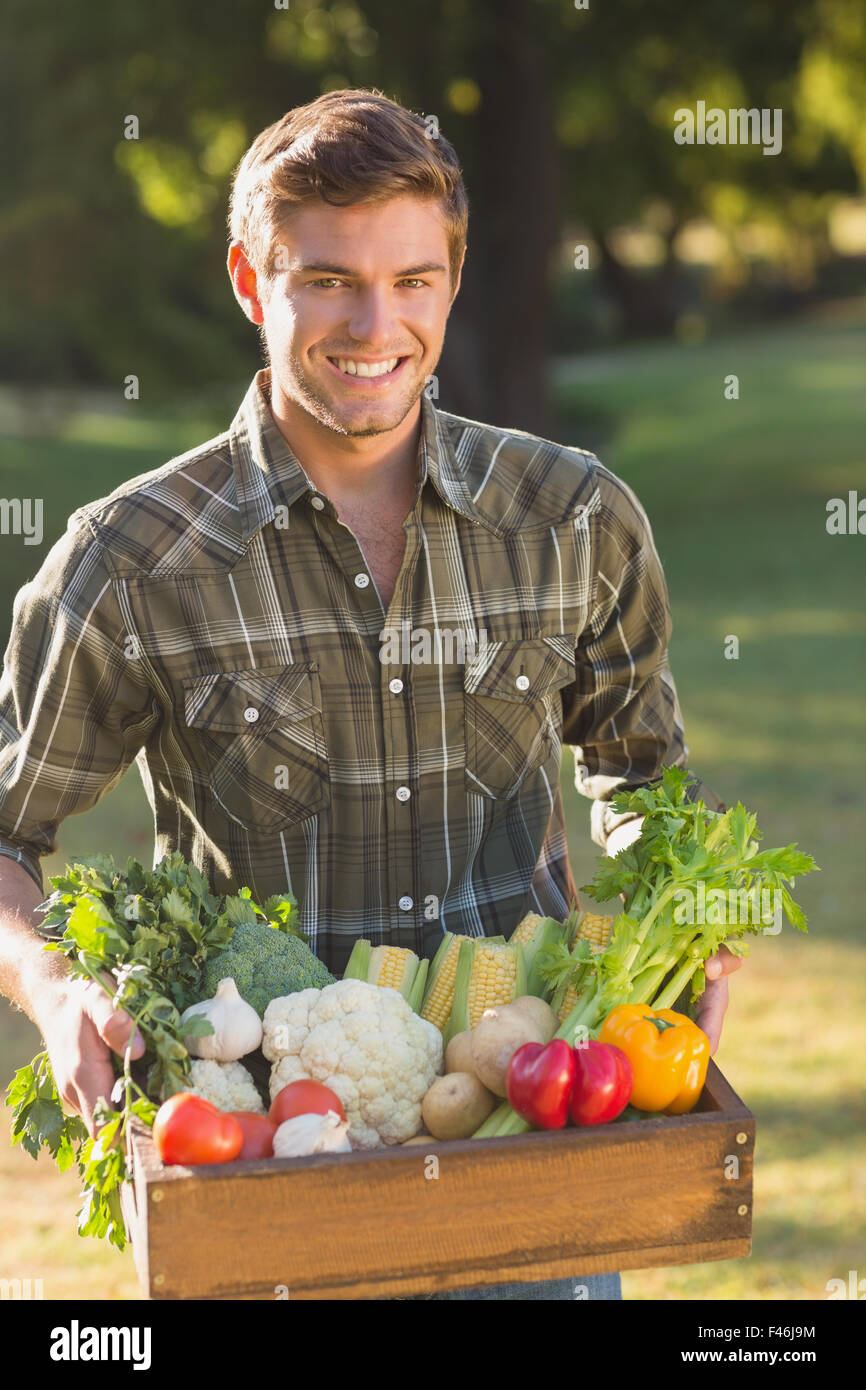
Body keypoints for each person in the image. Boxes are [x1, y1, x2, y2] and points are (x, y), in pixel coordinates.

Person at [0, 88, 742, 1300]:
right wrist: (51, 983)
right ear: (252, 280)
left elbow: (638, 770)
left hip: (527, 1149)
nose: (374, 323)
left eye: (410, 280)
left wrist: (686, 910)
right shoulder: (131, 560)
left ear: (451, 283)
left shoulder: (571, 517)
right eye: (329, 279)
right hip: (261, 1171)